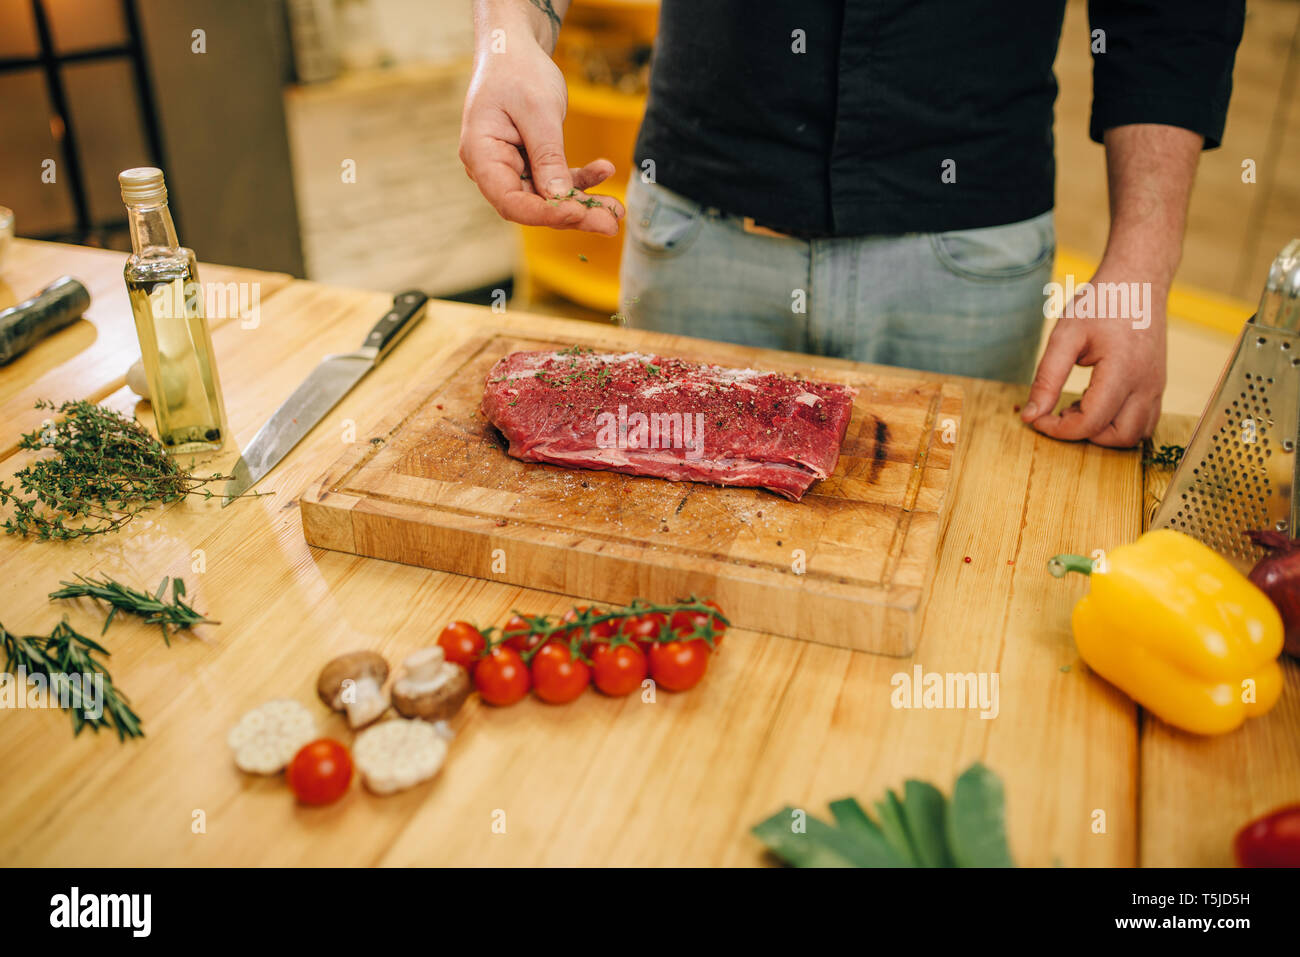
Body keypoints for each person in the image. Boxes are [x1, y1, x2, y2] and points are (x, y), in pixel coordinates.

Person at [459, 1, 1244, 448]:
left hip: (967, 254)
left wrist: (1142, 262)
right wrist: (510, 30)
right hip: (699, 228)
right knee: (667, 552)